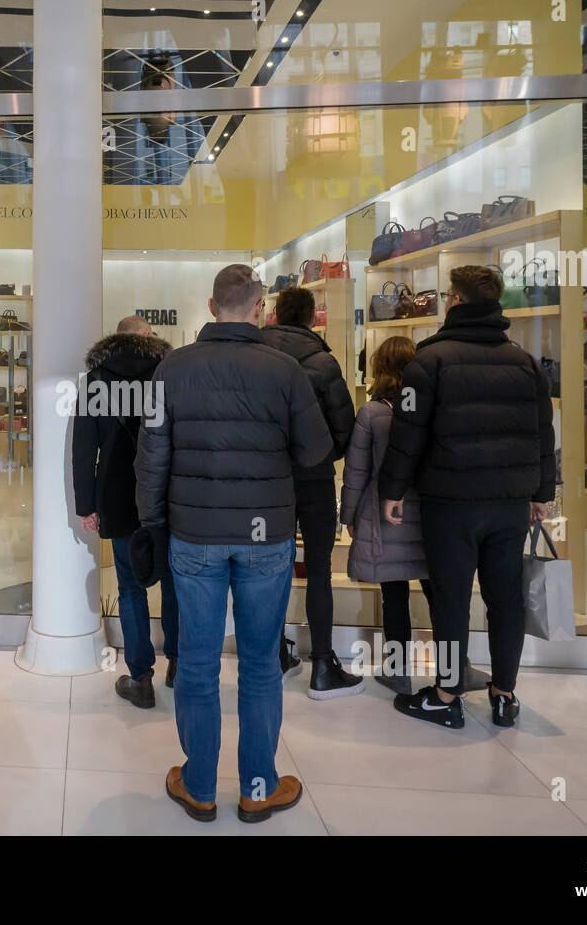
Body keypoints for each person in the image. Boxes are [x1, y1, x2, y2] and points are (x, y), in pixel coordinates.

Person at [136, 264, 330, 823]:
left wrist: (153, 523)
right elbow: (316, 452)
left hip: (194, 536)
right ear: (260, 307)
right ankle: (257, 788)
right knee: (260, 664)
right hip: (265, 536)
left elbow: (152, 457)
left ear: (210, 304)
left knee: (196, 664)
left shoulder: (171, 369)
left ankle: (198, 786)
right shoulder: (286, 370)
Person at [378, 265, 555, 729]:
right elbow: (542, 433)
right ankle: (504, 694)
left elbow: (408, 432)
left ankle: (447, 694)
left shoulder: (429, 361)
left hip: (450, 500)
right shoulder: (525, 363)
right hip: (508, 503)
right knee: (505, 598)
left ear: (455, 301)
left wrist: (392, 490)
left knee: (452, 599)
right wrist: (541, 492)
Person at [72, 315, 177, 709]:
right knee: (172, 582)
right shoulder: (167, 373)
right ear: (148, 338)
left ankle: (141, 678)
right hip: (165, 491)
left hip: (116, 494)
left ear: (116, 339)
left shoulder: (97, 380)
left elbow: (84, 448)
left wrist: (86, 504)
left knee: (131, 588)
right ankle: (179, 665)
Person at [260, 286, 359, 698]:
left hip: (269, 481)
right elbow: (345, 429)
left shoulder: (258, 358)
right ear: (311, 317)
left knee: (270, 568)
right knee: (318, 569)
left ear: (276, 314)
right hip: (315, 480)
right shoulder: (323, 362)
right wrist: (319, 457)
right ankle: (322, 665)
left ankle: (275, 657)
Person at [339, 336, 433, 695]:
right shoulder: (430, 407)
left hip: (386, 516)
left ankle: (398, 671)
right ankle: (454, 669)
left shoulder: (372, 413)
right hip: (427, 517)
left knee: (395, 596)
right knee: (438, 593)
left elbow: (356, 471)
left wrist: (349, 515)